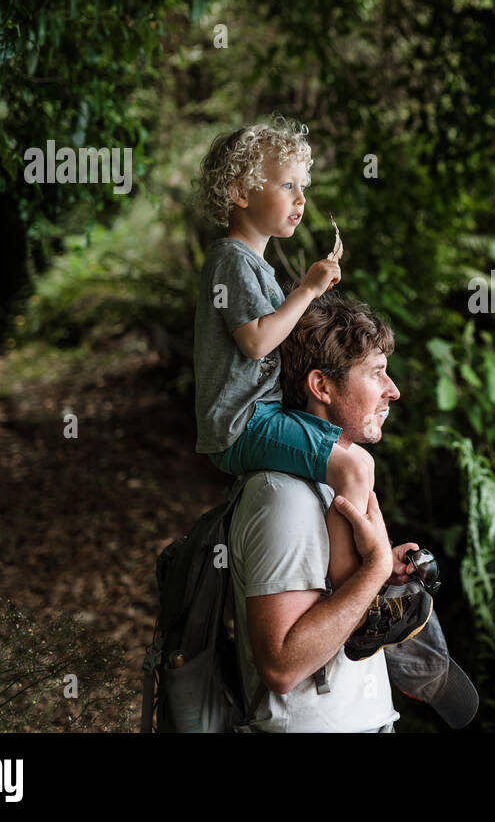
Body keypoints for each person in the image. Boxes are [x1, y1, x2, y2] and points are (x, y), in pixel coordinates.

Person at [191, 115, 430, 661]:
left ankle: (375, 564)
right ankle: (364, 600)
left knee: (346, 460)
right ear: (239, 191)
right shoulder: (231, 259)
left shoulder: (254, 264)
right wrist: (307, 288)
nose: (300, 199)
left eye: (303, 187)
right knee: (353, 466)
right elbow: (256, 342)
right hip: (243, 422)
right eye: (287, 185)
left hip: (259, 413)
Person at [226, 293, 418, 732]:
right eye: (376, 373)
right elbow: (280, 666)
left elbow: (329, 601)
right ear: (322, 387)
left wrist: (383, 576)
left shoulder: (332, 481)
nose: (393, 390)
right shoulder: (282, 497)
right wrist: (375, 570)